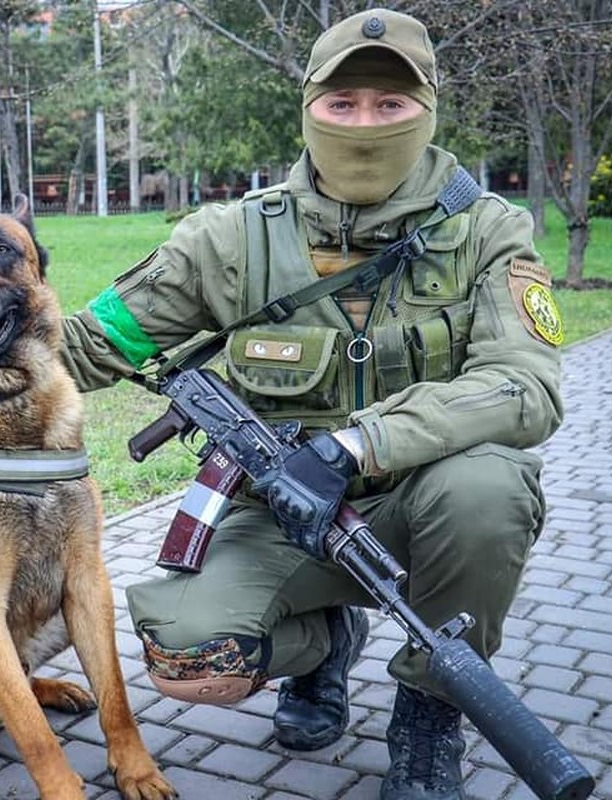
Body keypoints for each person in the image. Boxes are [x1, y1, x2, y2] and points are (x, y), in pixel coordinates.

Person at [58, 9, 562, 800]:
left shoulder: (486, 230)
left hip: (428, 510)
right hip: (281, 519)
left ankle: (428, 718)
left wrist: (354, 448)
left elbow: (525, 386)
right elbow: (93, 342)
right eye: (344, 101)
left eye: (390, 104)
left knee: (489, 489)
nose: (366, 121)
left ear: (427, 110)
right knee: (191, 661)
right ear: (310, 108)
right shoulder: (230, 237)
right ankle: (328, 642)